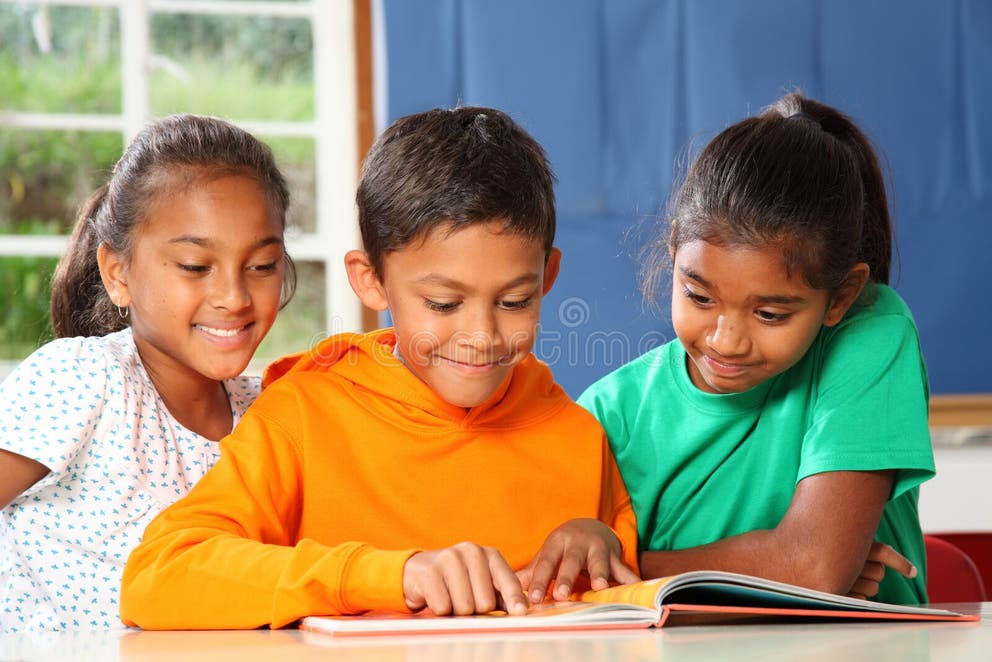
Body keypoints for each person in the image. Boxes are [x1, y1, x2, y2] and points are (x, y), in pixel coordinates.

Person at [119, 106, 640, 630]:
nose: (481, 338)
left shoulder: (576, 434)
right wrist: (391, 574)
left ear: (547, 276)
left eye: (514, 302)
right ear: (370, 280)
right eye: (442, 304)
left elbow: (622, 610)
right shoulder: (303, 417)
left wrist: (600, 542)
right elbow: (157, 577)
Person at [578, 92, 933, 605]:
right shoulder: (609, 411)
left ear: (841, 298)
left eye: (770, 314)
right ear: (675, 249)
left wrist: (627, 573)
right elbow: (562, 587)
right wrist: (778, 579)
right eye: (699, 296)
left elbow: (812, 567)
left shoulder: (872, 329)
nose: (726, 339)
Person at [0, 114, 296, 632]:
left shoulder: (272, 413)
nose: (234, 296)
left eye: (262, 266)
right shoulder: (84, 380)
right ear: (118, 275)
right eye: (194, 266)